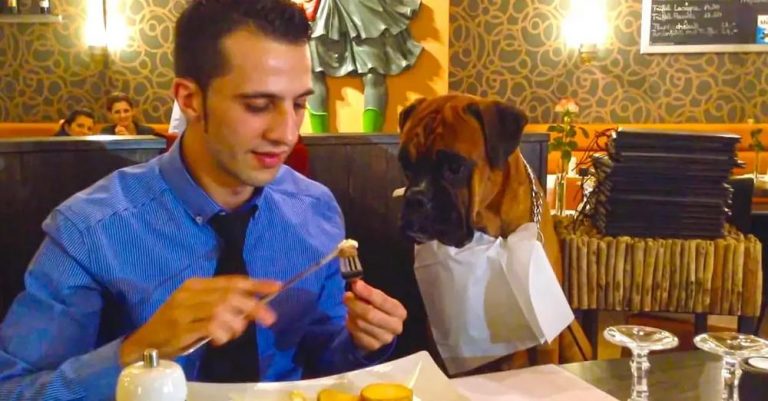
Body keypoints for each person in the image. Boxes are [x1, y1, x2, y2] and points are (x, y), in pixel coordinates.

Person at [0, 0, 406, 399]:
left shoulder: (316, 209)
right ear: (190, 99)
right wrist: (140, 349)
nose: (287, 133)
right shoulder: (90, 228)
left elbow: (324, 355)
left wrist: (360, 341)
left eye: (299, 104)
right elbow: (13, 389)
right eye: (258, 105)